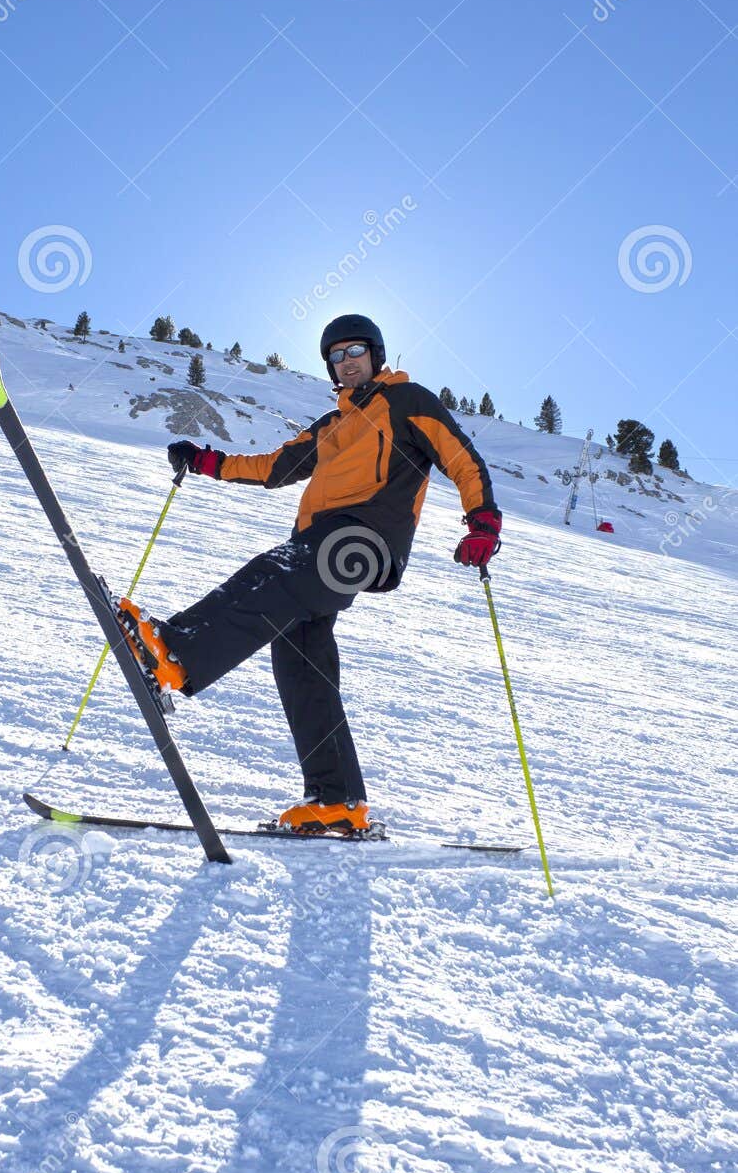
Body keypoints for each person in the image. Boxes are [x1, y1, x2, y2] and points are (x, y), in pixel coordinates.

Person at [118, 313, 501, 835]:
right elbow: (275, 467)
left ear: (376, 354)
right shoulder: (333, 424)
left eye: (355, 351)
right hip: (319, 544)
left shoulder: (407, 401)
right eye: (337, 356)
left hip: (364, 539)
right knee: (301, 664)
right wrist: (208, 462)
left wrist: (483, 520)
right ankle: (337, 801)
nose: (347, 362)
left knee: (275, 572)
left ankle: (175, 653)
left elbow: (460, 457)